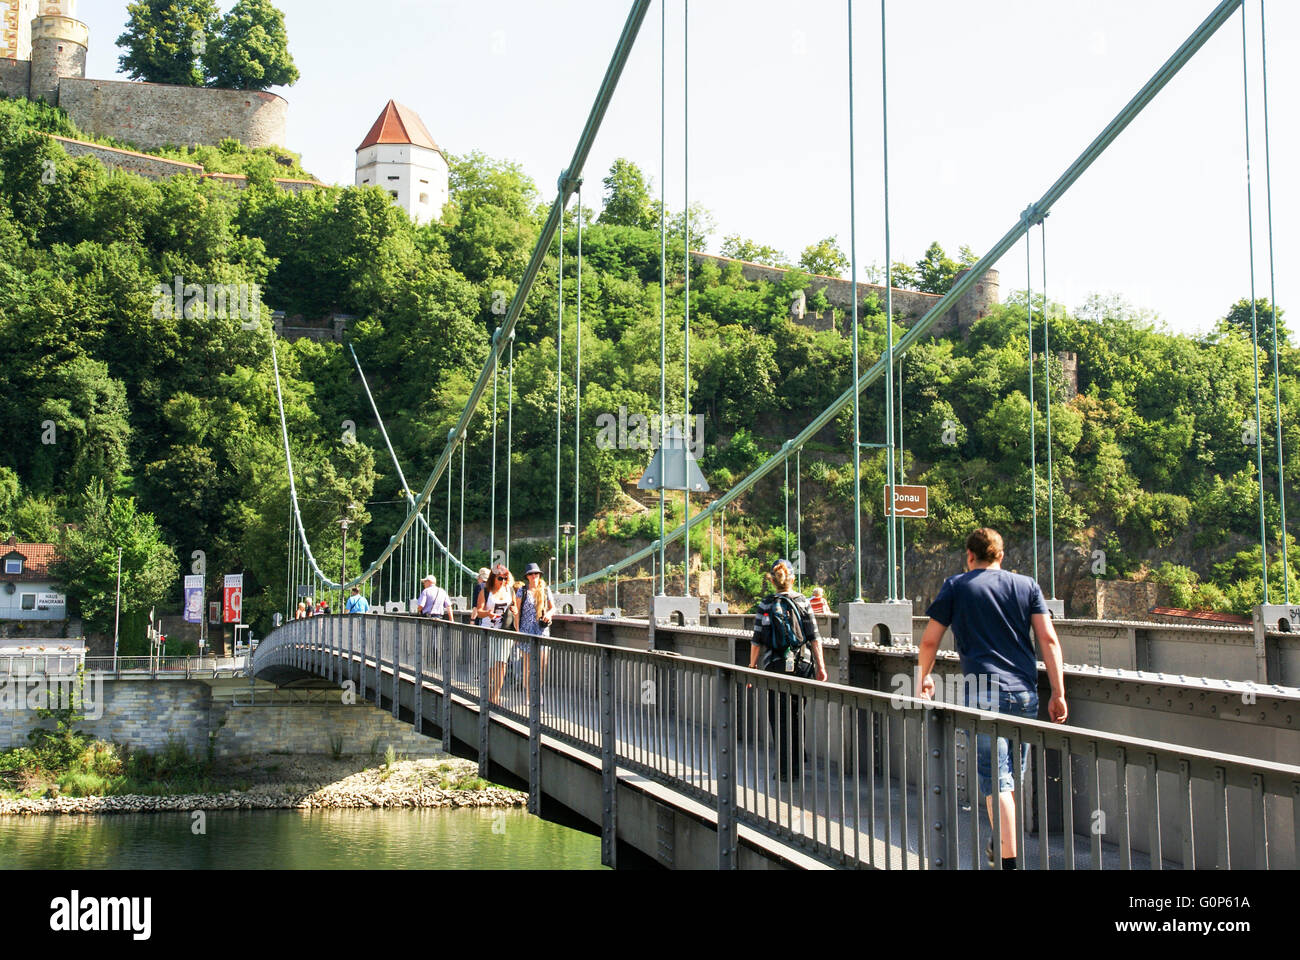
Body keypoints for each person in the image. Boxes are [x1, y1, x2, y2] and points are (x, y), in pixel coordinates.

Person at [917, 527, 1068, 870]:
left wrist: (924, 676)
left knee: (996, 781)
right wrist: (1057, 692)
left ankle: (1008, 861)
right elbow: (1048, 640)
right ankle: (1001, 842)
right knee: (1010, 777)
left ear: (969, 556)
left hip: (984, 695)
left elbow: (929, 642)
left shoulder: (956, 586)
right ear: (1001, 556)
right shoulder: (1027, 585)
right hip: (1024, 694)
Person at [749, 558, 828, 781]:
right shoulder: (803, 601)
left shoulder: (765, 604)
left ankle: (784, 769)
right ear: (791, 579)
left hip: (775, 666)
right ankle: (797, 764)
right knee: (796, 714)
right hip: (802, 665)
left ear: (772, 581)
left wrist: (752, 667)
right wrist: (821, 667)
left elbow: (756, 640)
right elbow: (814, 637)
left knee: (778, 716)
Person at [511, 563, 555, 706]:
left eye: (536, 574)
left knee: (542, 666)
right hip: (526, 632)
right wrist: (517, 633)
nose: (534, 576)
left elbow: (553, 608)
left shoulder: (546, 590)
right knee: (529, 667)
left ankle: (538, 691)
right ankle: (529, 695)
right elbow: (516, 613)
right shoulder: (521, 592)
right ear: (527, 577)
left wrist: (548, 613)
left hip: (542, 631)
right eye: (531, 574)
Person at [473, 564, 514, 704]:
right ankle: (489, 690)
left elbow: (515, 607)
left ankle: (495, 696)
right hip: (488, 631)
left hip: (505, 631)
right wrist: (488, 614)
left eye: (505, 578)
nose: (503, 581)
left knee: (501, 664)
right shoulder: (485, 591)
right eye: (500, 578)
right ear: (493, 578)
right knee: (490, 667)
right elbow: (479, 611)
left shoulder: (509, 590)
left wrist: (515, 611)